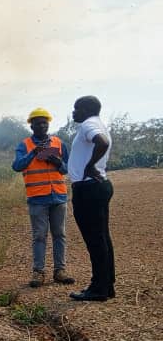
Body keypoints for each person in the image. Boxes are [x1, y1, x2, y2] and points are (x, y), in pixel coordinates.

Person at [11, 109, 75, 288]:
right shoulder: (24, 145)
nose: (41, 126)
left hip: (58, 196)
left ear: (48, 124)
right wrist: (33, 153)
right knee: (39, 235)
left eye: (44, 123)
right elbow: (17, 166)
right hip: (37, 197)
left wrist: (58, 163)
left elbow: (67, 168)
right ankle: (38, 272)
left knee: (59, 234)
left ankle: (60, 271)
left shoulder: (59, 143)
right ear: (31, 125)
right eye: (38, 123)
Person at [68, 96, 114, 301]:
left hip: (88, 188)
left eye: (76, 108)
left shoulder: (89, 124)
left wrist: (89, 165)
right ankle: (106, 286)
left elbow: (101, 143)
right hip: (97, 186)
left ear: (86, 109)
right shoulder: (99, 124)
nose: (73, 112)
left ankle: (98, 288)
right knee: (102, 238)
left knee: (95, 240)